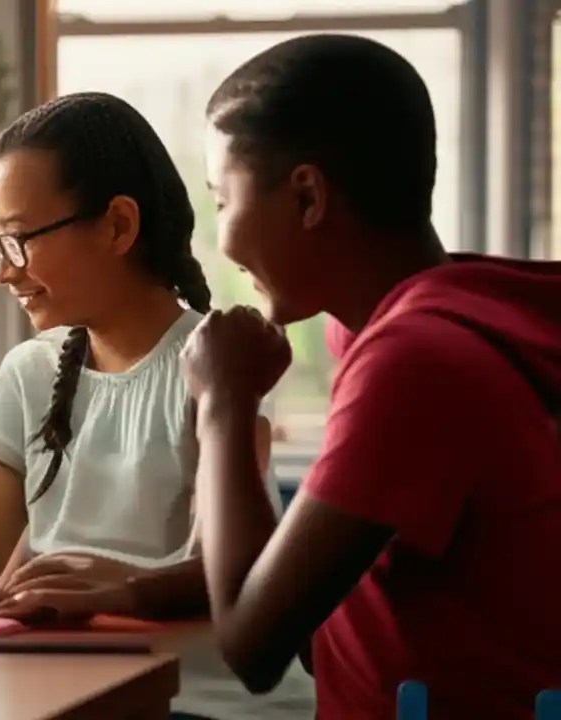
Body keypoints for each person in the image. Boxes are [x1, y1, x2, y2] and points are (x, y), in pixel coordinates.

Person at [0, 92, 313, 719]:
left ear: (119, 226)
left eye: (19, 241)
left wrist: (117, 588)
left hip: (206, 705)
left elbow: (224, 572)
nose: (3, 274)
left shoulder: (221, 364)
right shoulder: (30, 372)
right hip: (69, 693)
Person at [183, 34, 561, 719]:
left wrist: (224, 405)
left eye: (221, 200)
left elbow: (254, 646)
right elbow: (317, 628)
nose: (224, 239)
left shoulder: (416, 361)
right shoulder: (412, 323)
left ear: (307, 197)